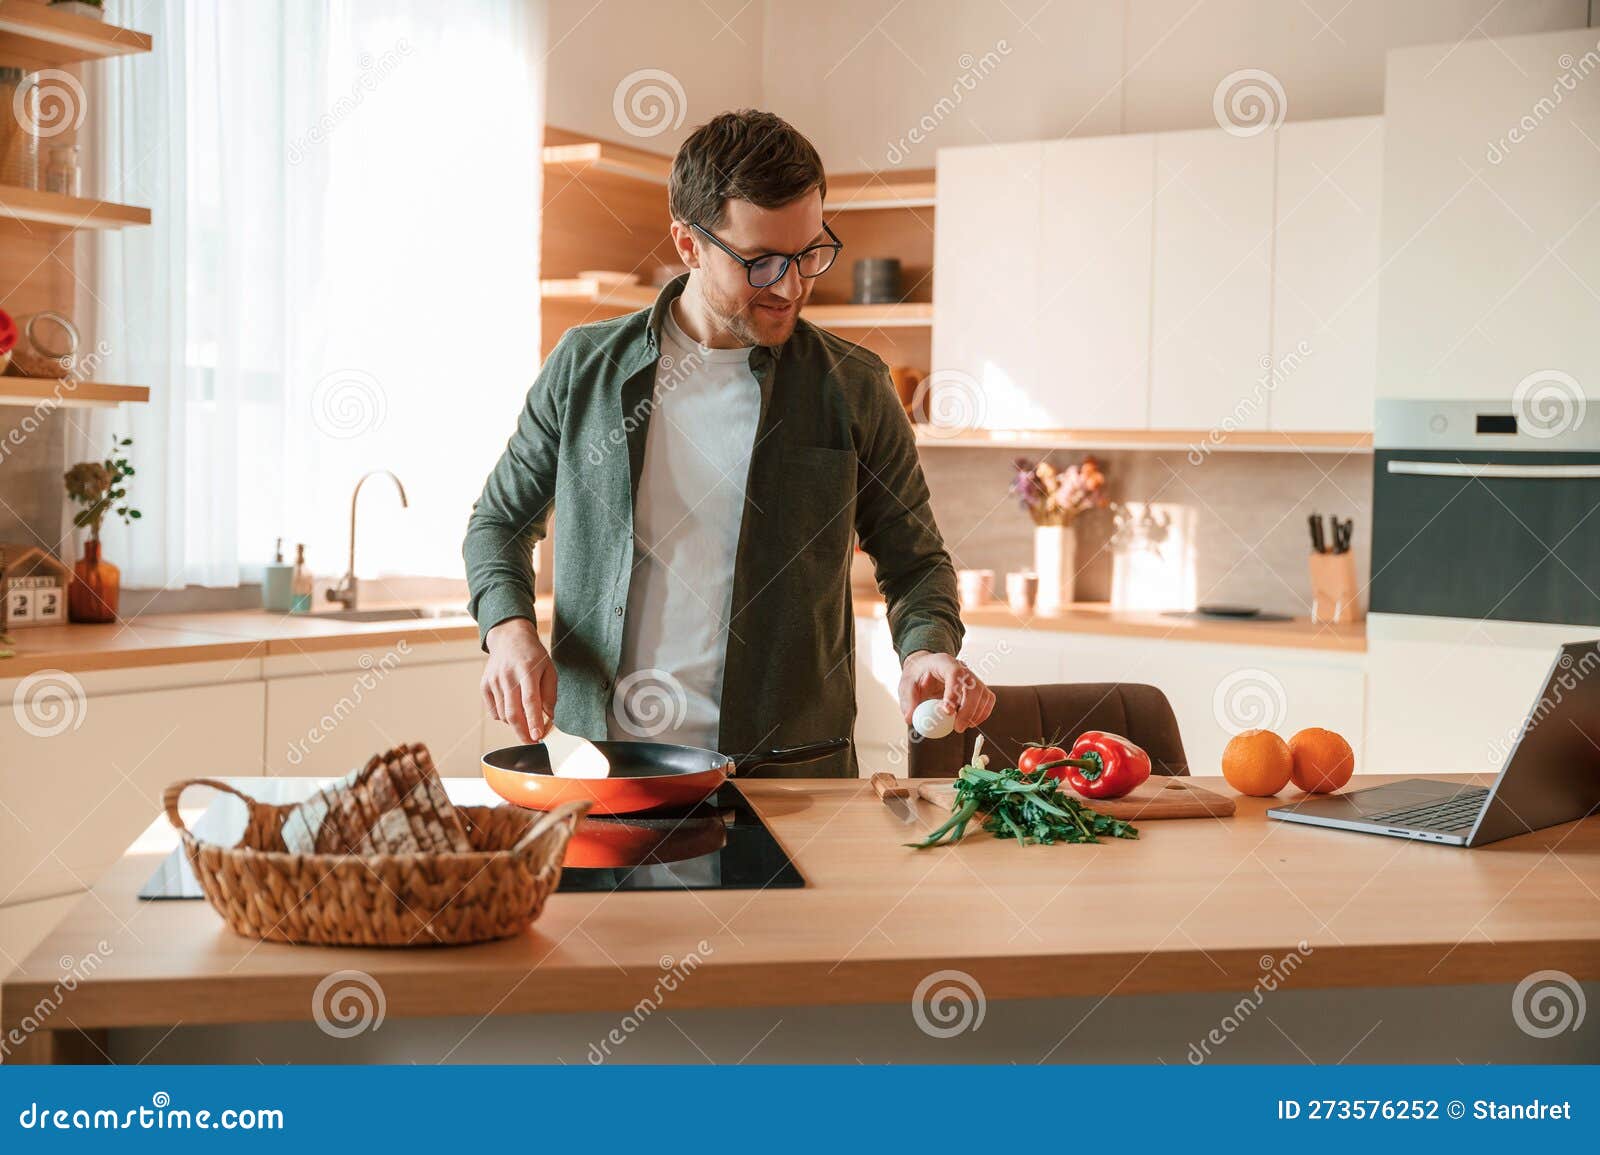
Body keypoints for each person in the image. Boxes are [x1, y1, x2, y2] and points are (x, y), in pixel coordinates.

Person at [464, 108, 993, 776]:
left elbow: (916, 562)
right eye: (762, 261)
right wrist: (509, 632)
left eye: (808, 254)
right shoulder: (584, 368)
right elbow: (498, 524)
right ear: (688, 244)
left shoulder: (854, 387)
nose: (792, 285)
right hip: (598, 770)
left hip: (788, 776)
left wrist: (925, 649)